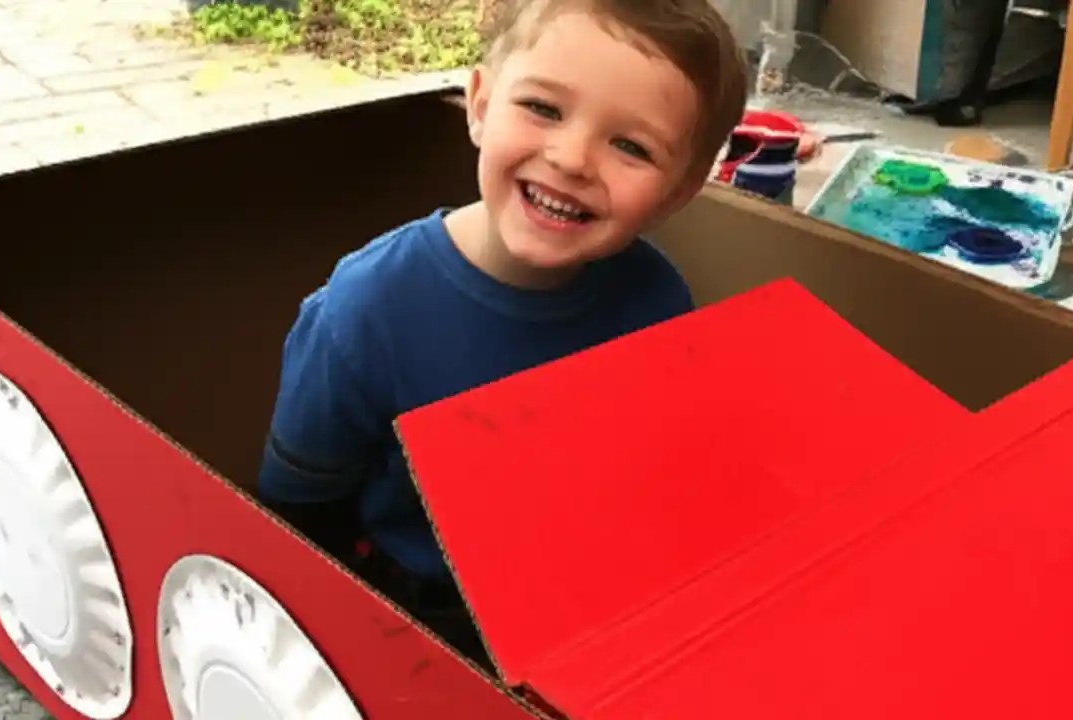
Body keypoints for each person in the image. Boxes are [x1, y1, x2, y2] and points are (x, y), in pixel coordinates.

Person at [256, 0, 749, 667]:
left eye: (631, 146)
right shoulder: (364, 311)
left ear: (679, 192)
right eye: (544, 108)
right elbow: (299, 520)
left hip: (592, 609)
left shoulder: (658, 301)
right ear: (481, 104)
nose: (572, 158)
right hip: (416, 621)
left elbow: (658, 484)